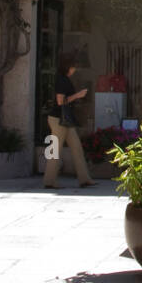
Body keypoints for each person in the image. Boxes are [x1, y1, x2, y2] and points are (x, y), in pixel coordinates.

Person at [44, 56, 96, 189]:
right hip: (58, 119)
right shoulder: (61, 80)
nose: (74, 69)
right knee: (55, 149)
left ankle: (84, 179)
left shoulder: (64, 79)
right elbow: (60, 101)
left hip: (65, 119)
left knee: (77, 148)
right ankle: (49, 181)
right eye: (73, 66)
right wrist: (78, 95)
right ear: (68, 67)